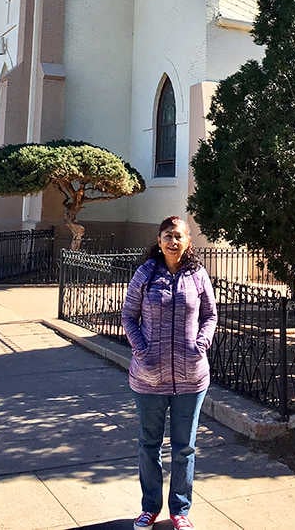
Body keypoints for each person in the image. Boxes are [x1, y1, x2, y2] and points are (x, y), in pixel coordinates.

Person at [122, 216, 217, 530]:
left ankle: (180, 510)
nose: (172, 242)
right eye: (167, 236)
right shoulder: (146, 273)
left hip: (191, 378)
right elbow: (129, 316)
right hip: (149, 378)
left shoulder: (197, 275)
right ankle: (149, 507)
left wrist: (200, 344)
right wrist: (142, 350)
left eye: (178, 236)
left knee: (184, 447)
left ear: (188, 241)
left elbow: (210, 315)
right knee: (149, 444)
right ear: (159, 240)